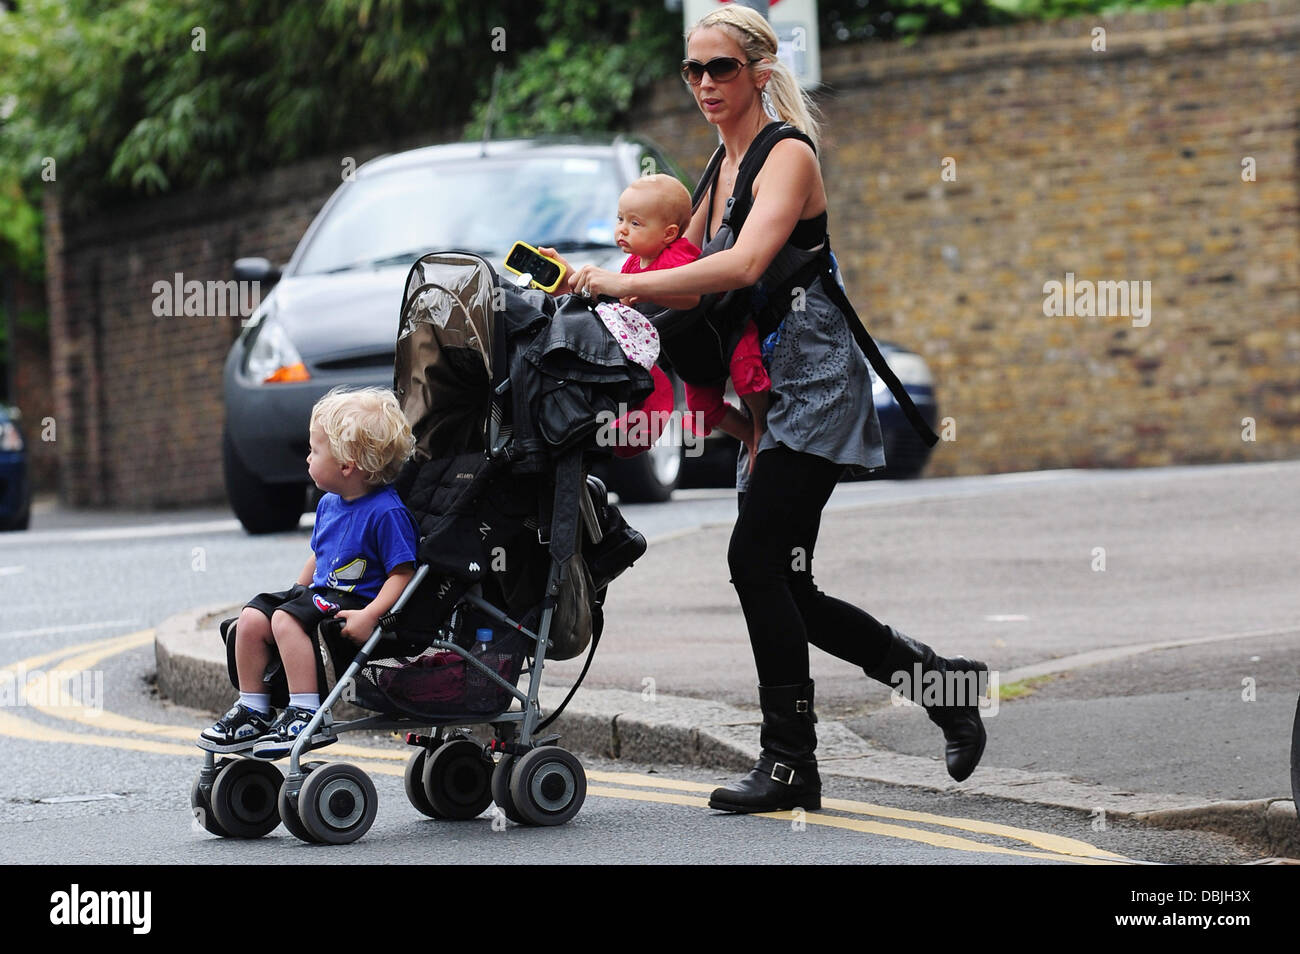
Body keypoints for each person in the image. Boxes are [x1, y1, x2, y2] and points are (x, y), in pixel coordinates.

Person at [569, 4, 989, 813]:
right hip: (764, 398)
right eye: (693, 70)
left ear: (760, 71)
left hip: (818, 383)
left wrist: (619, 284)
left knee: (756, 561)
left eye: (720, 68)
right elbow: (676, 272)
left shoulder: (786, 154)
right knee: (786, 582)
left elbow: (743, 263)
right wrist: (584, 281)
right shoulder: (710, 172)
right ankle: (940, 684)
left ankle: (791, 763)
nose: (703, 84)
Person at [198, 387, 418, 759]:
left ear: (347, 466)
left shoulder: (386, 513)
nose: (308, 458)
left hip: (355, 602)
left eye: (315, 451)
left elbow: (403, 573)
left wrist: (371, 615)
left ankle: (306, 710)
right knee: (253, 616)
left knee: (285, 622)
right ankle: (253, 708)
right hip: (320, 595)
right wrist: (294, 593)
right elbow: (319, 557)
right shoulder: (330, 504)